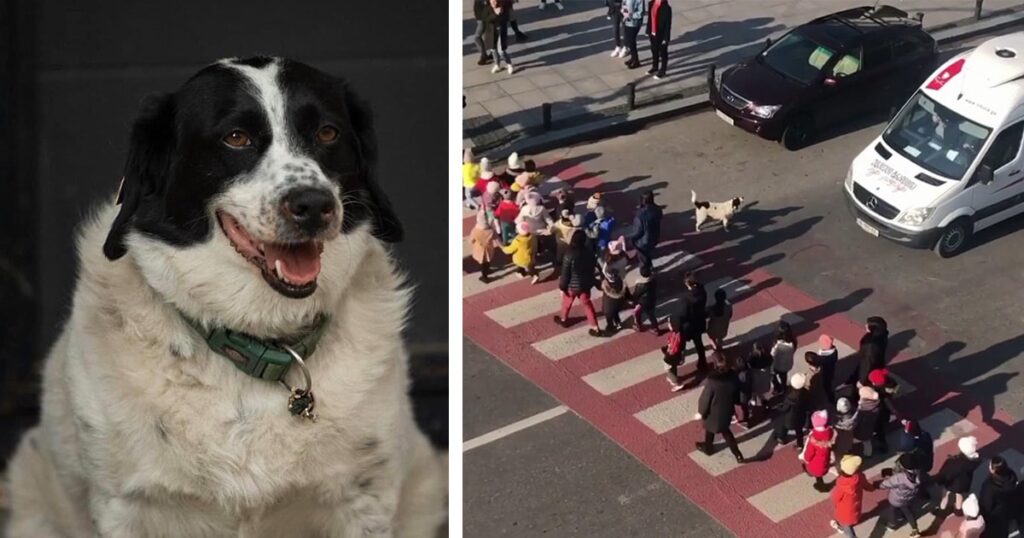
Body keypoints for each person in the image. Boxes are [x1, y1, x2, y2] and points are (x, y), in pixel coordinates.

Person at [694, 352, 745, 463]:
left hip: (713, 411)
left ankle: (708, 448)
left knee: (709, 429)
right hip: (726, 409)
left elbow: (705, 398)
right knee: (726, 432)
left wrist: (701, 411)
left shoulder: (712, 381)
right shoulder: (733, 376)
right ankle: (737, 454)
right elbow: (737, 392)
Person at [555, 230, 601, 336]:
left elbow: (565, 274)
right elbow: (592, 269)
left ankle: (564, 320)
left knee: (566, 304)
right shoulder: (589, 253)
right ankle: (595, 327)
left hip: (572, 286)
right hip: (585, 285)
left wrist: (562, 287)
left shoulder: (569, 254)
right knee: (587, 305)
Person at [934, 435, 982, 516]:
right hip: (963, 483)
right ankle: (958, 511)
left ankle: (942, 510)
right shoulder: (973, 461)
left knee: (945, 494)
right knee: (959, 495)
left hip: (951, 483)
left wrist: (939, 480)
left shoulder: (955, 462)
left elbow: (947, 474)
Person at [878, 453, 922, 536]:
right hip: (908, 497)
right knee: (908, 512)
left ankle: (892, 525)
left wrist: (879, 485)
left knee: (892, 510)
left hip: (896, 499)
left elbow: (887, 484)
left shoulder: (899, 477)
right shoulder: (917, 472)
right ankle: (915, 529)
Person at [830, 455, 873, 538]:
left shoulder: (841, 484)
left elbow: (835, 497)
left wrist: (835, 505)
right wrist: (873, 487)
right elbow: (867, 486)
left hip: (844, 511)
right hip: (855, 507)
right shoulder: (860, 477)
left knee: (847, 526)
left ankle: (844, 529)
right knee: (853, 518)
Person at [978, 456, 1019, 538]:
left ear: (994, 470)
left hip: (995, 517)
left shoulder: (989, 486)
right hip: (1006, 512)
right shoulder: (1011, 475)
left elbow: (986, 506)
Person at [846, 316, 889, 387]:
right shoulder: (881, 335)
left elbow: (867, 364)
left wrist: (862, 381)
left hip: (869, 369)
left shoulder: (870, 346)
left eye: (868, 325)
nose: (866, 326)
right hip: (878, 363)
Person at [628, 191, 661, 273]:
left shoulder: (639, 215)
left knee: (643, 258)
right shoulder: (657, 209)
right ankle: (650, 266)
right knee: (649, 253)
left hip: (642, 241)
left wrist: (631, 239)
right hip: (654, 237)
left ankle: (645, 272)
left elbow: (637, 231)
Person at [896, 419, 934, 493]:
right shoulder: (925, 435)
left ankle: (921, 489)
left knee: (918, 477)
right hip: (926, 460)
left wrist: (906, 432)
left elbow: (905, 445)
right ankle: (925, 484)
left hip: (916, 463)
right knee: (922, 474)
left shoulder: (910, 442)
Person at [681, 273, 708, 371]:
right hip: (699, 321)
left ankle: (680, 356)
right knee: (699, 344)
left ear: (688, 284)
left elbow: (685, 313)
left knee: (682, 340)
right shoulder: (702, 290)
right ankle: (702, 363)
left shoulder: (687, 298)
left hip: (690, 324)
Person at [801, 409, 834, 491]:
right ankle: (820, 482)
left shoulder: (814, 439)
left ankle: (820, 484)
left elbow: (809, 454)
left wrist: (806, 459)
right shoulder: (830, 433)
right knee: (820, 470)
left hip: (815, 465)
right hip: (825, 464)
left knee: (815, 470)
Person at [774, 373, 809, 449]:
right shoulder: (805, 393)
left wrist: (778, 408)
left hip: (789, 418)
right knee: (799, 431)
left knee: (783, 427)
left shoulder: (789, 396)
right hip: (800, 418)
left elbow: (784, 408)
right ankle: (800, 445)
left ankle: (782, 438)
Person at [470, 208, 498, 283]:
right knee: (487, 261)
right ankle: (487, 270)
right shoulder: (490, 230)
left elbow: (472, 240)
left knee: (482, 263)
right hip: (489, 249)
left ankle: (484, 277)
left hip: (479, 249)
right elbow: (496, 238)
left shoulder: (475, 230)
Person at [487, 0, 515, 75]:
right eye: (492, 1)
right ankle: (497, 64)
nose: (494, 2)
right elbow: (485, 18)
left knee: (501, 50)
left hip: (501, 29)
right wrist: (495, 14)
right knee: (493, 49)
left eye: (495, 1)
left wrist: (500, 12)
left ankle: (509, 64)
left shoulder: (503, 5)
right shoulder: (486, 6)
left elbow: (506, 18)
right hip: (491, 30)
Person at [630, 264, 660, 333]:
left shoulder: (640, 284)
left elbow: (636, 294)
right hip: (652, 299)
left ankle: (639, 326)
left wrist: (633, 300)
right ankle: (656, 329)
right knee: (651, 315)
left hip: (643, 302)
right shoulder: (653, 279)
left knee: (637, 313)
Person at [645, 0, 671, 79]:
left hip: (661, 34)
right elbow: (650, 18)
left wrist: (666, 38)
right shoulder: (651, 3)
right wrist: (648, 30)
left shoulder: (666, 8)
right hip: (653, 32)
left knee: (663, 53)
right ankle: (655, 67)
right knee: (654, 50)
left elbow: (668, 24)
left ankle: (663, 71)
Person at [854, 384, 880, 458]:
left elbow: (857, 420)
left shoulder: (863, 410)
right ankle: (868, 454)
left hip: (860, 431)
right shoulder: (875, 405)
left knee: (851, 441)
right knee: (867, 442)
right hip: (869, 429)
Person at [600, 269, 629, 336]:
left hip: (608, 307)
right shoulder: (621, 282)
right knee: (615, 313)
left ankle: (611, 327)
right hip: (618, 304)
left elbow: (600, 286)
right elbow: (627, 294)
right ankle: (618, 323)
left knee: (609, 317)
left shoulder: (605, 284)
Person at [770, 321, 796, 395]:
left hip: (778, 365)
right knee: (784, 376)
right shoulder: (793, 341)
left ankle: (777, 387)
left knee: (772, 375)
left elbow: (772, 355)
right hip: (788, 364)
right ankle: (784, 388)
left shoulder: (778, 345)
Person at [832, 397, 858, 465]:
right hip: (849, 440)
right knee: (847, 450)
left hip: (840, 441)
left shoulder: (837, 422)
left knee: (839, 454)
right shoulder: (853, 418)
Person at [621, 0, 646, 69]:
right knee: (629, 41)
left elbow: (640, 13)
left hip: (634, 23)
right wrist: (623, 11)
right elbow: (624, 4)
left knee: (631, 41)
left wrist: (631, 15)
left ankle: (636, 61)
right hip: (626, 21)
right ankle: (633, 58)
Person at [662, 315, 685, 391]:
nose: (668, 325)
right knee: (673, 367)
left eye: (669, 324)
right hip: (675, 356)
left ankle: (677, 383)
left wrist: (668, 350)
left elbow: (674, 348)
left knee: (668, 369)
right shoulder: (677, 332)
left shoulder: (677, 336)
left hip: (673, 355)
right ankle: (673, 377)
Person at [748, 342, 772, 409]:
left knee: (754, 390)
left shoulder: (752, 358)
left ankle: (754, 402)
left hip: (756, 379)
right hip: (765, 380)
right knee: (760, 391)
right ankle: (763, 402)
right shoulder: (768, 358)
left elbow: (750, 365)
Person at [817, 334, 839, 402]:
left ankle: (831, 398)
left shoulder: (824, 356)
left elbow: (819, 363)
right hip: (831, 370)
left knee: (827, 385)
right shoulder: (834, 350)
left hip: (826, 372)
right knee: (830, 381)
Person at [472, 0, 495, 65]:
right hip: (480, 18)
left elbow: (487, 5)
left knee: (477, 37)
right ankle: (491, 54)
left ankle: (484, 55)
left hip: (482, 18)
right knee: (487, 36)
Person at [733, 352, 753, 425]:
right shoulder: (749, 371)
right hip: (748, 392)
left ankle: (746, 420)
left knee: (744, 407)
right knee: (745, 405)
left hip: (743, 394)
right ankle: (746, 415)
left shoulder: (741, 375)